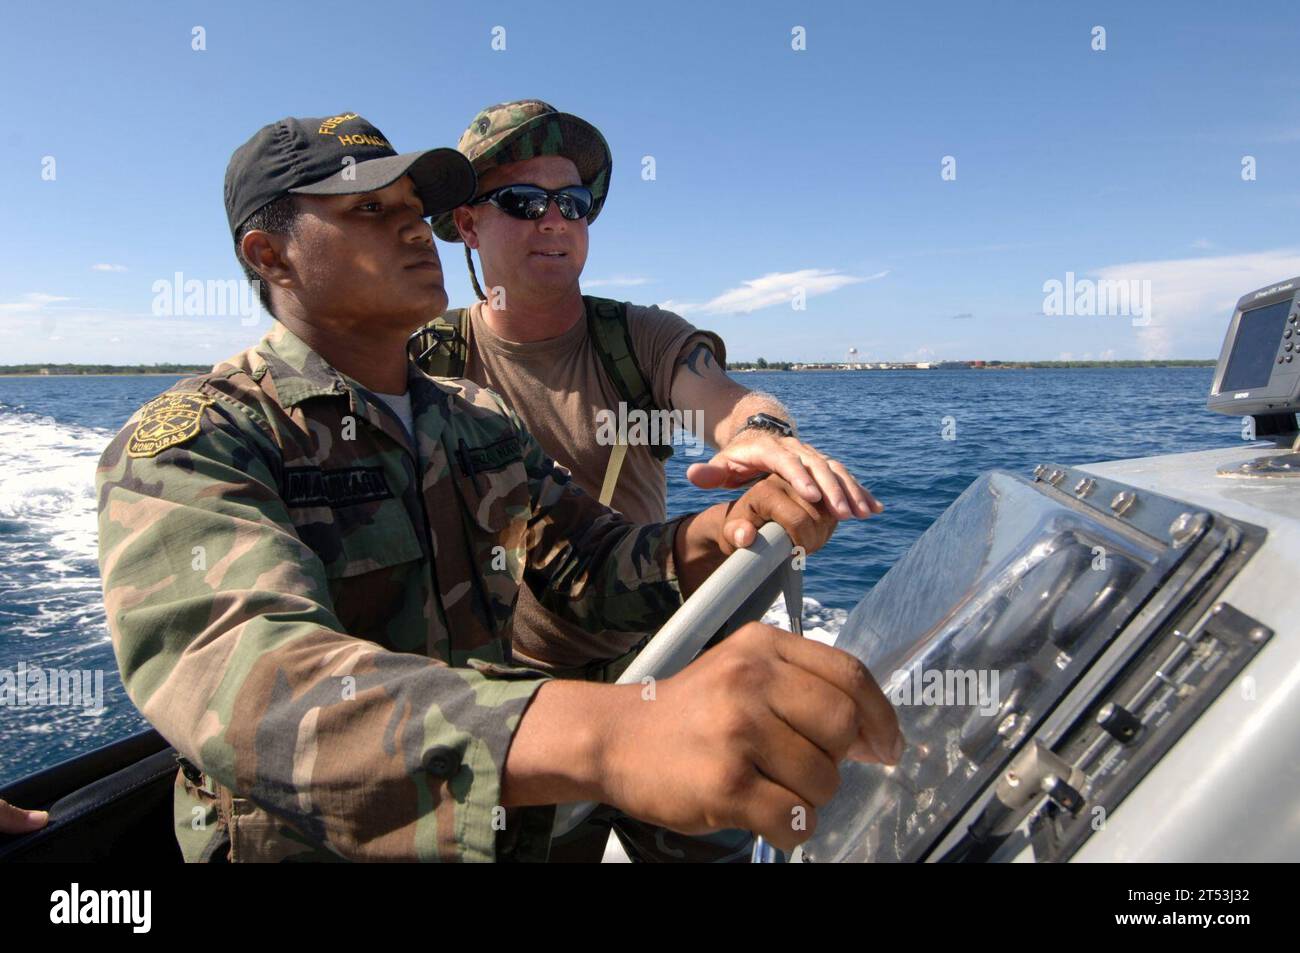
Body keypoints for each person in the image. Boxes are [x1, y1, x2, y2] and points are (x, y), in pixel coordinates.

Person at [95, 112, 902, 862]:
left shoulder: (469, 421)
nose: (415, 226)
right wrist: (613, 736)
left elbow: (587, 563)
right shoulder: (197, 441)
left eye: (413, 205)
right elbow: (253, 683)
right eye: (369, 211)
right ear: (269, 257)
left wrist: (722, 529)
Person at [418, 100, 887, 859]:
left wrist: (763, 440)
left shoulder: (637, 337)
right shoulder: (427, 361)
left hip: (674, 663)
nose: (554, 220)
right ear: (468, 225)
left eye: (572, 203)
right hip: (527, 701)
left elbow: (726, 399)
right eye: (522, 201)